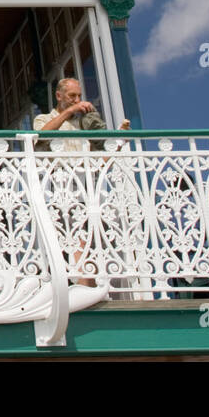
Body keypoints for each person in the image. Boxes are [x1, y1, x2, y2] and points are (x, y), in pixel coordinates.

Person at [32, 78, 131, 287]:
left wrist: (119, 142)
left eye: (79, 96)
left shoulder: (84, 124)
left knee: (92, 236)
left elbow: (100, 162)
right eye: (72, 96)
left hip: (89, 184)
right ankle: (82, 287)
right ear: (59, 96)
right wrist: (69, 112)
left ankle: (92, 288)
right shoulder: (44, 119)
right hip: (60, 184)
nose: (77, 100)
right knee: (75, 235)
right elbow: (39, 138)